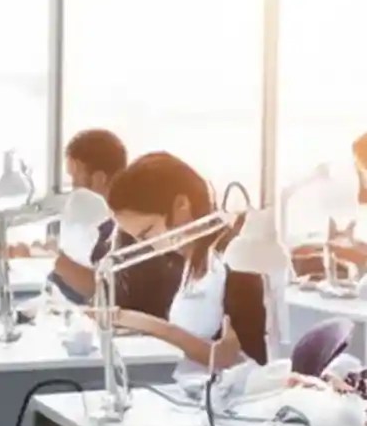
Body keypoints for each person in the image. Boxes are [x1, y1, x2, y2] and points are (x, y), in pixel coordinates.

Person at [101, 152, 270, 377]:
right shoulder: (185, 264)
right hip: (185, 392)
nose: (149, 246)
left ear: (181, 204)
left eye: (147, 233)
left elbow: (234, 361)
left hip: (221, 400)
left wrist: (135, 321)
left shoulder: (234, 263)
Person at [48, 129, 182, 318]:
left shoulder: (136, 230)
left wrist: (54, 262)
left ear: (99, 178)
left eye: (76, 177)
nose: (74, 186)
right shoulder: (108, 226)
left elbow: (114, 294)